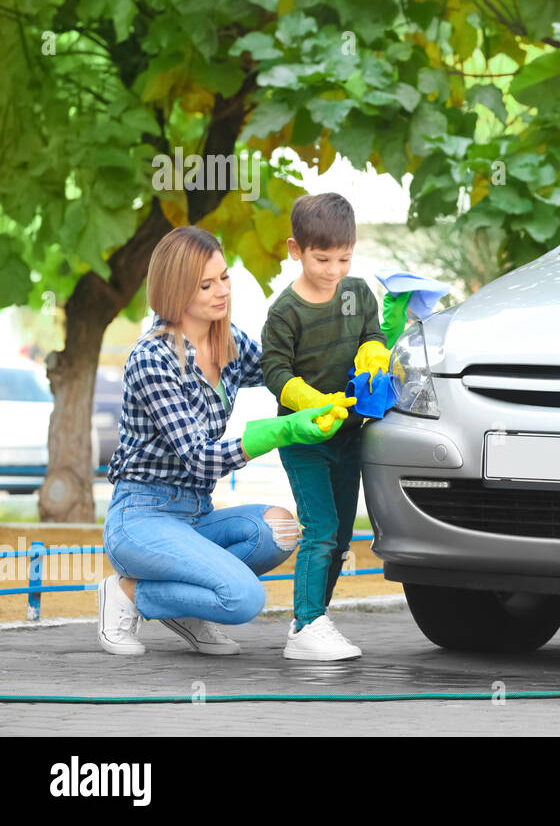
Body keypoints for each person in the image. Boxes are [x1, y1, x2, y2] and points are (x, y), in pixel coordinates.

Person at [99, 226, 343, 656]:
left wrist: (370, 340)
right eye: (205, 284)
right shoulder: (152, 358)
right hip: (141, 517)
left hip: (196, 514)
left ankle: (187, 607)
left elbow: (284, 362)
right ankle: (129, 593)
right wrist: (276, 431)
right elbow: (197, 458)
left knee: (280, 529)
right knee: (243, 598)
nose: (221, 291)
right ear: (175, 290)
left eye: (224, 277)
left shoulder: (227, 343)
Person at [261, 193, 389, 660]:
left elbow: (373, 334)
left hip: (350, 433)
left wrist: (374, 354)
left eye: (344, 258)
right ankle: (305, 625)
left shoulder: (357, 293)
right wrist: (312, 405)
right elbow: (274, 371)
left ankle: (315, 618)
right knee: (321, 527)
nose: (334, 270)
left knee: (338, 537)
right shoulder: (284, 312)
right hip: (304, 438)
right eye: (322, 259)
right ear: (296, 250)